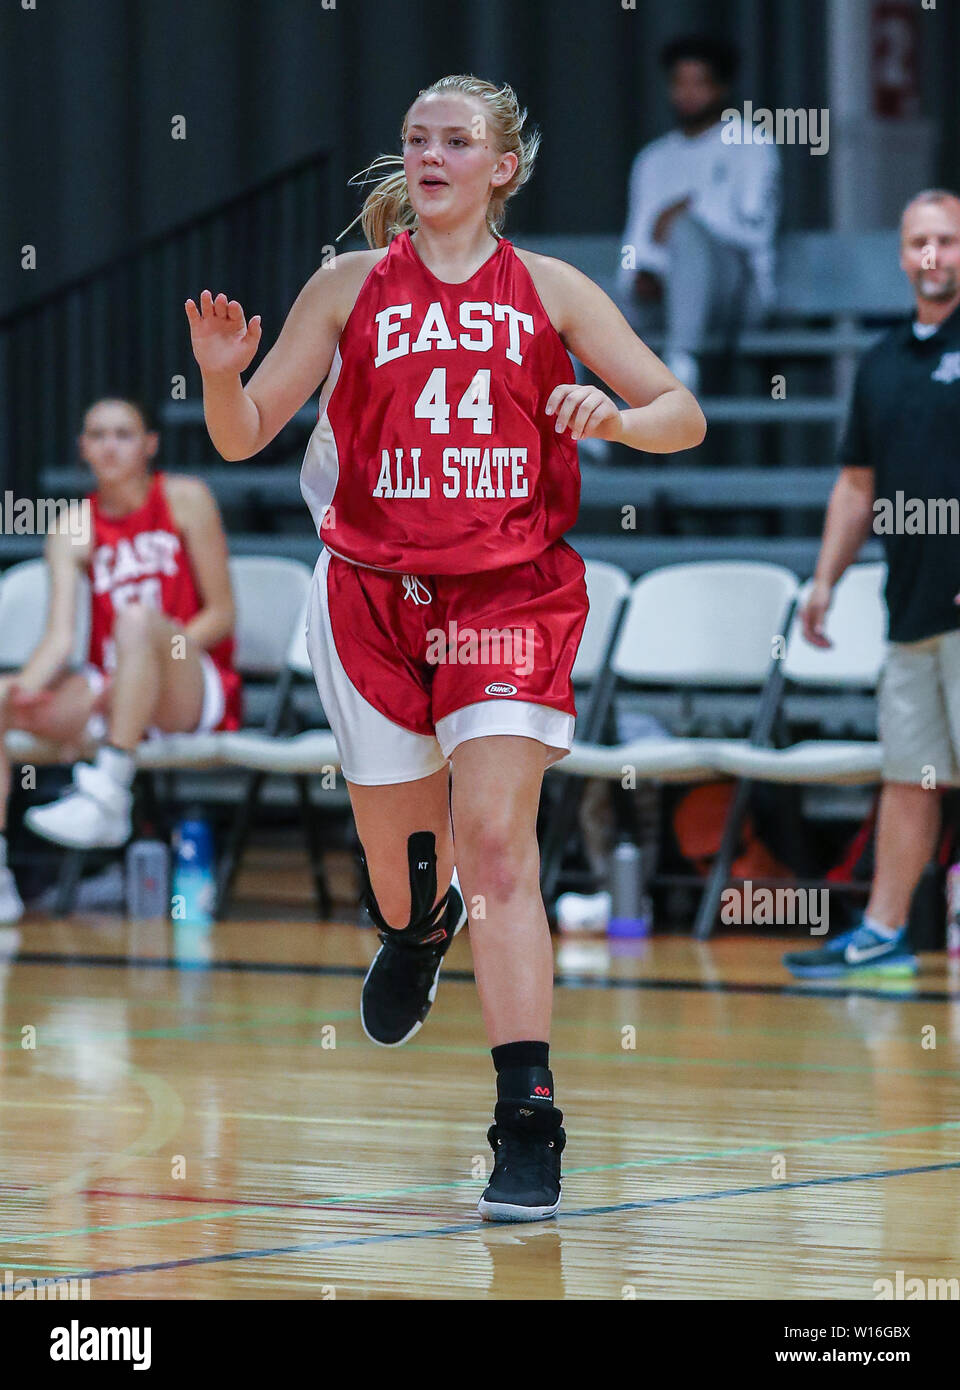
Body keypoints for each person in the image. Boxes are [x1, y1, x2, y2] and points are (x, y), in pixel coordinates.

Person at [186, 74, 705, 1221]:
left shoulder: (555, 290)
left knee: (499, 845)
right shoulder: (348, 287)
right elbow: (240, 436)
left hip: (507, 596)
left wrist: (614, 417)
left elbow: (684, 412)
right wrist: (223, 375)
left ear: (501, 167)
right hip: (372, 596)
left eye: (456, 140)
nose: (431, 154)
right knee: (407, 869)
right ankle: (415, 929)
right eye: (417, 138)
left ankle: (528, 1119)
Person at [784, 189, 960, 980]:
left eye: (949, 241)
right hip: (909, 609)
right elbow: (857, 485)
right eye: (921, 241)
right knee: (909, 776)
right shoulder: (884, 361)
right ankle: (885, 931)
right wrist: (824, 580)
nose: (934, 255)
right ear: (902, 254)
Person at [0, 398, 242, 921]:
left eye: (124, 434)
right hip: (114, 685)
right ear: (83, 448)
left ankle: (108, 791)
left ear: (150, 444)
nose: (110, 445)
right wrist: (19, 689)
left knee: (135, 620)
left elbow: (221, 614)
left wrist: (147, 659)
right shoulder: (71, 526)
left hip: (188, 678)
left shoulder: (186, 498)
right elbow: (60, 639)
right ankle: (1, 878)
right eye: (98, 435)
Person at [618, 35, 780, 392]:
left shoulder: (752, 145)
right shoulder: (653, 159)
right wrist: (638, 276)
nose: (688, 94)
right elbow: (636, 238)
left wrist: (691, 210)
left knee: (687, 231)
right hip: (663, 293)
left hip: (736, 294)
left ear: (721, 88)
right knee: (582, 300)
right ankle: (581, 431)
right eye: (680, 83)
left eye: (699, 83)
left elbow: (754, 230)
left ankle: (681, 364)